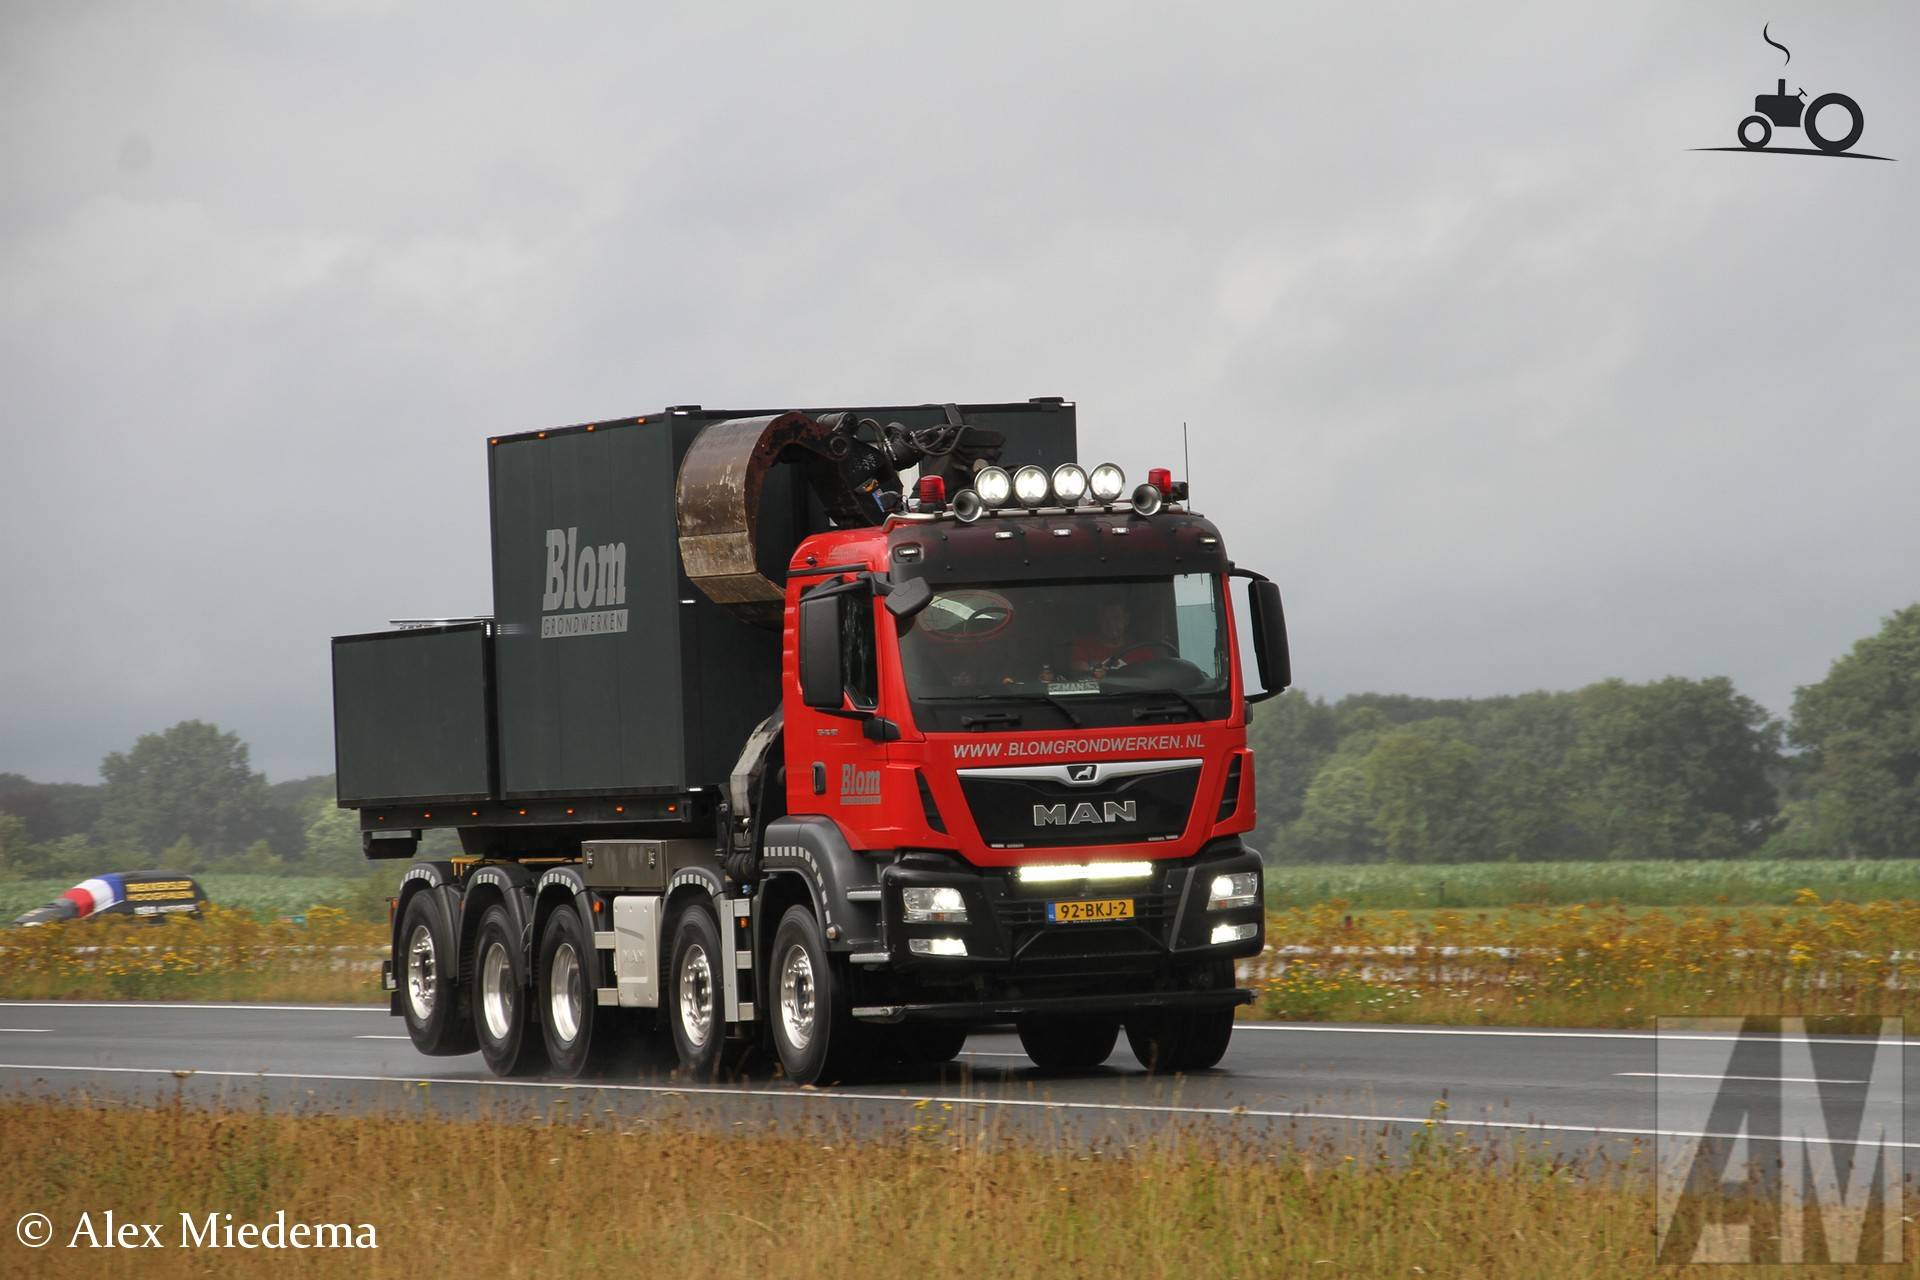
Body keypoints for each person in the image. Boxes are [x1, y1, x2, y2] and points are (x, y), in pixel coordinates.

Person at [1069, 600, 1161, 678]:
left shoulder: (1142, 650)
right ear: (1099, 621)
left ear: (1126, 620)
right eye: (1106, 619)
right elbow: (1081, 676)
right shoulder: (1083, 647)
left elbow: (1152, 679)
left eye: (1117, 618)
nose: (1111, 624)